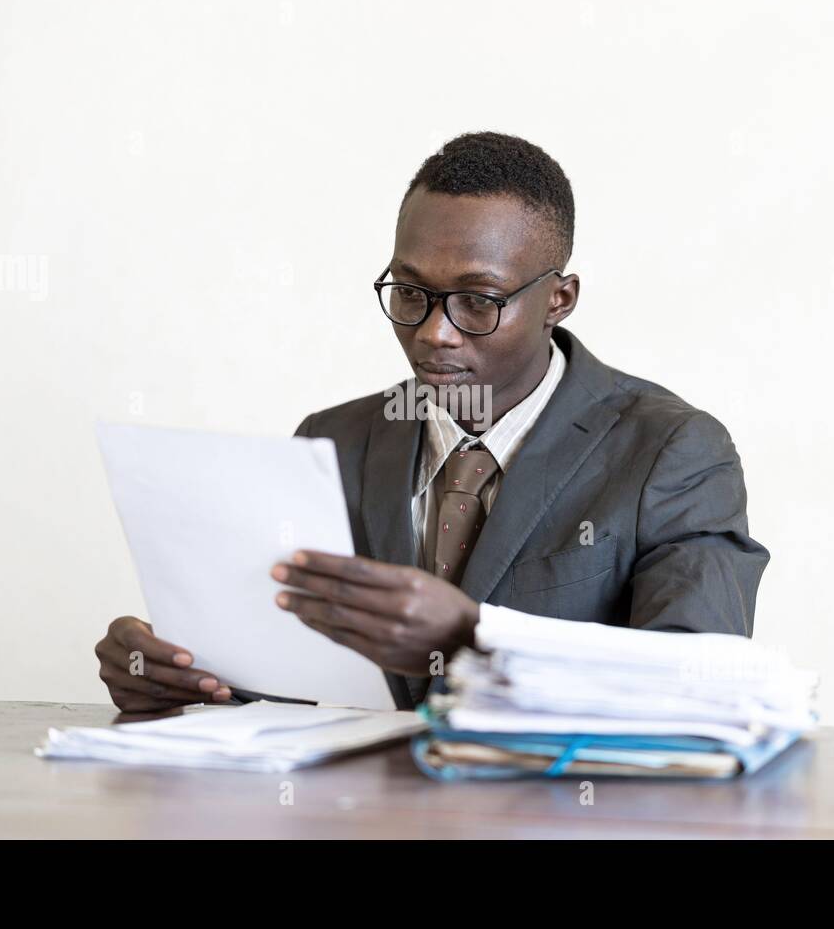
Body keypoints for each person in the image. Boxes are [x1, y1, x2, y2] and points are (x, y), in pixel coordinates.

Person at [95, 131, 769, 713]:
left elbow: (700, 687)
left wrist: (476, 637)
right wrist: (185, 675)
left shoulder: (672, 452)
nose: (436, 333)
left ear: (559, 299)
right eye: (412, 293)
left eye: (478, 300)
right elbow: (285, 677)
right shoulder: (335, 440)